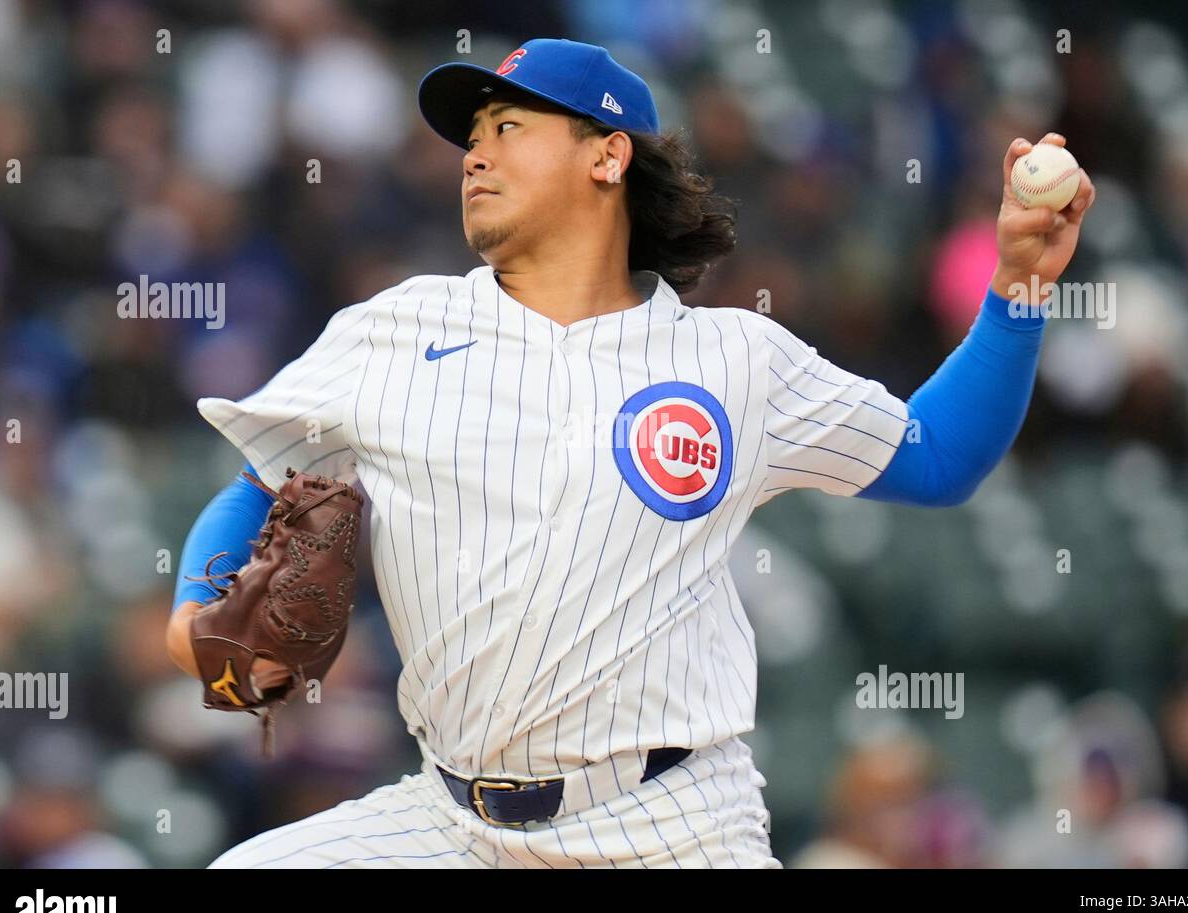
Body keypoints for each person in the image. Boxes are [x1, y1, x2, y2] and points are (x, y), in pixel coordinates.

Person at [164, 38, 1095, 868]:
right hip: (452, 825)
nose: (475, 152)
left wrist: (1016, 286)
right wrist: (193, 614)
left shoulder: (736, 359)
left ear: (608, 155)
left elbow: (940, 458)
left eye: (510, 124)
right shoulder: (394, 329)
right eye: (473, 133)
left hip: (673, 826)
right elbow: (258, 481)